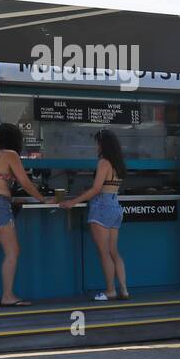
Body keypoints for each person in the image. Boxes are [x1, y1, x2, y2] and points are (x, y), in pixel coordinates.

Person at [0, 123, 52, 307]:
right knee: (12, 251)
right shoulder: (11, 155)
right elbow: (25, 182)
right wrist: (42, 199)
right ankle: (8, 296)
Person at [59, 129, 129, 301]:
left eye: (98, 142)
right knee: (114, 251)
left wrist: (73, 201)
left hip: (102, 207)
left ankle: (110, 291)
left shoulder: (103, 163)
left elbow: (97, 189)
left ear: (102, 145)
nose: (96, 146)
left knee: (104, 253)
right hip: (115, 206)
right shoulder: (118, 164)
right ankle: (124, 290)